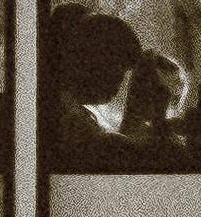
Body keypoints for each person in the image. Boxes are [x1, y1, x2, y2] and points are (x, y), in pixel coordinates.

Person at [48, 9, 142, 169]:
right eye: (116, 65)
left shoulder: (67, 108)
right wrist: (138, 107)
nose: (121, 78)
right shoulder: (66, 117)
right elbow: (121, 156)